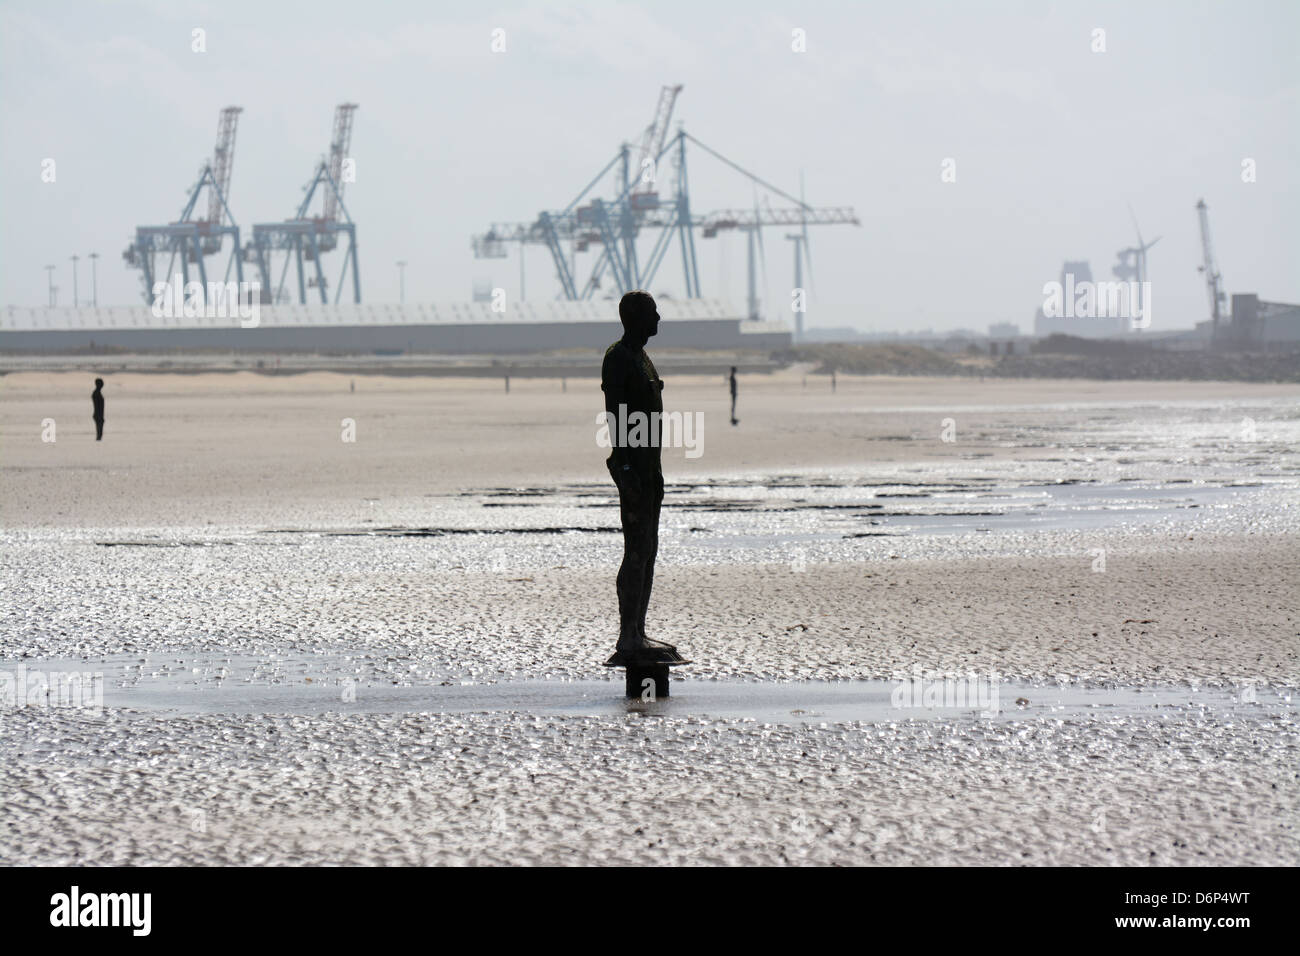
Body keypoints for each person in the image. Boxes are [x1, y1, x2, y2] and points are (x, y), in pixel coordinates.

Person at [602, 290, 678, 662]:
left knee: (648, 550)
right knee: (636, 551)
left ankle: (639, 631)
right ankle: (627, 635)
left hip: (650, 469)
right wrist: (627, 468)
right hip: (633, 468)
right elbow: (615, 416)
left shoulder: (643, 359)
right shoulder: (618, 358)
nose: (659, 318)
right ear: (635, 318)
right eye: (652, 313)